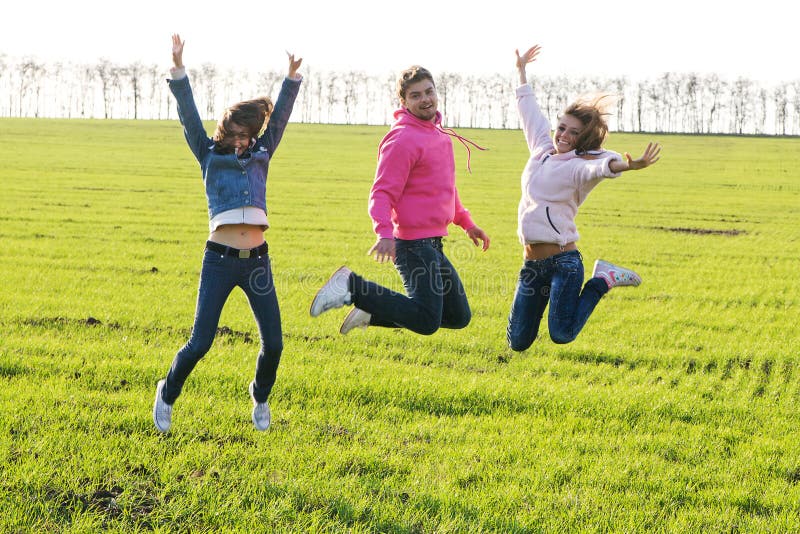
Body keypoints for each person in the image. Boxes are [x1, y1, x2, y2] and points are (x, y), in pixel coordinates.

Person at [152, 34, 302, 432]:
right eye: (234, 133)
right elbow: (187, 114)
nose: (240, 141)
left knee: (275, 344)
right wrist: (179, 68)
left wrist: (290, 80)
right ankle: (167, 391)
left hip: (257, 261)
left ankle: (261, 395)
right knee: (200, 342)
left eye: (246, 135)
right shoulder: (209, 154)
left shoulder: (261, 153)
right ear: (224, 130)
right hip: (218, 261)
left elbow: (281, 119)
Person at [308, 65, 490, 336]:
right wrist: (384, 233)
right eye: (416, 95)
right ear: (403, 102)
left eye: (429, 91)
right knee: (427, 320)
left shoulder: (441, 137)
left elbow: (447, 189)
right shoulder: (403, 139)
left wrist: (466, 223)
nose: (425, 99)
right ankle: (352, 286)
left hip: (433, 243)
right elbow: (382, 192)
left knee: (457, 315)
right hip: (412, 245)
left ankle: (371, 310)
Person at [507, 44, 661, 352]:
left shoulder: (579, 168)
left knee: (561, 334)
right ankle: (585, 285)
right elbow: (529, 112)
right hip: (531, 263)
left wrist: (629, 166)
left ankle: (602, 279)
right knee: (518, 342)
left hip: (563, 261)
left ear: (583, 138)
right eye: (561, 128)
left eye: (572, 133)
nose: (562, 135)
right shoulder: (540, 149)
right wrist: (521, 71)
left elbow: (603, 167)